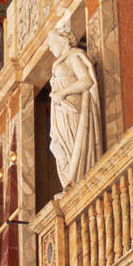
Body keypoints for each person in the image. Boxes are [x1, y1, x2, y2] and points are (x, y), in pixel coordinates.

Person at [48, 28, 102, 191]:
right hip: (60, 110)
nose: (50, 48)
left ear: (62, 42)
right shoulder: (61, 61)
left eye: (52, 44)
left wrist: (63, 93)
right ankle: (68, 181)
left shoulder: (73, 57)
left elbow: (86, 81)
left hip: (71, 107)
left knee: (72, 144)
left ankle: (76, 179)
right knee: (56, 146)